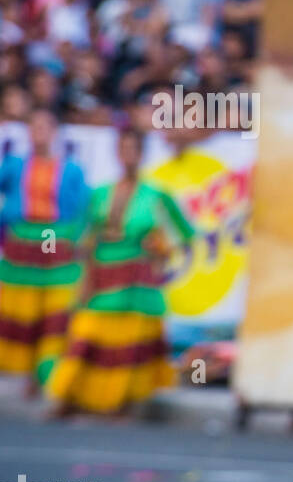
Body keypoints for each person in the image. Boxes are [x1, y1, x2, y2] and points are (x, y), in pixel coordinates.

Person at [45, 127, 194, 416]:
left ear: (142, 154)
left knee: (129, 347)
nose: (129, 156)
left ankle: (119, 403)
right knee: (86, 336)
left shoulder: (156, 196)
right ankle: (70, 398)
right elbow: (80, 236)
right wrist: (82, 274)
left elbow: (185, 236)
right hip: (102, 278)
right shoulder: (100, 194)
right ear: (117, 152)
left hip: (138, 283)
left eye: (134, 150)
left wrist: (162, 252)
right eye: (124, 149)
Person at [0, 108, 89, 393]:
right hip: (22, 242)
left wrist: (75, 241)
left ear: (54, 132)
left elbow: (83, 209)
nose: (39, 132)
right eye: (34, 126)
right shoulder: (14, 165)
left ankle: (47, 372)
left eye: (45, 127)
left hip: (54, 237)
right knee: (22, 310)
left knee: (54, 311)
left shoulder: (71, 170)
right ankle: (26, 373)